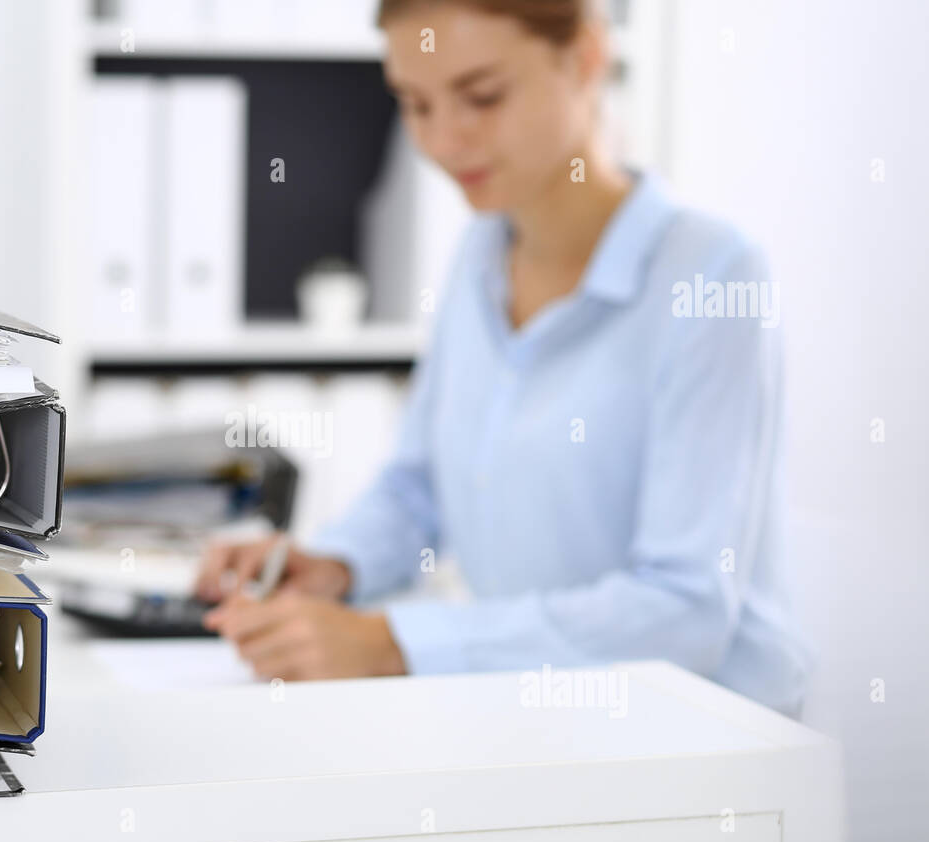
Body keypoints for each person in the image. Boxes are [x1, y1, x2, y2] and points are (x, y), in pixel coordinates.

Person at [195, 0, 812, 715]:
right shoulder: (480, 253)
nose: (443, 140)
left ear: (585, 57)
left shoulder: (714, 276)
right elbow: (418, 488)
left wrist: (392, 644)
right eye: (415, 104)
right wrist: (334, 564)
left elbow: (683, 609)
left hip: (708, 731)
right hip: (538, 713)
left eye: (483, 96)